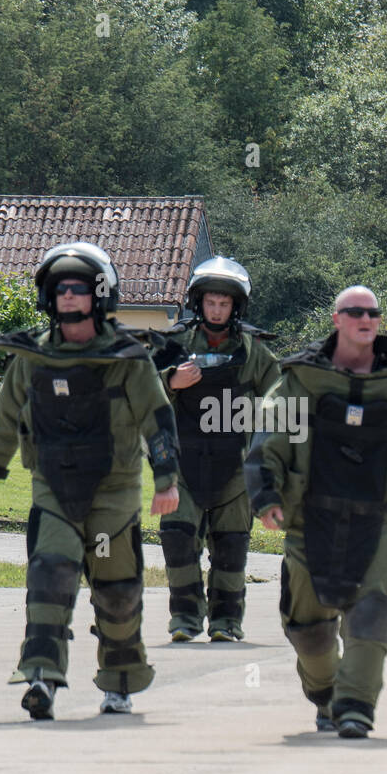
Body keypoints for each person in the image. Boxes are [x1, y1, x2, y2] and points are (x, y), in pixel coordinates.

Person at [0, 242, 181, 720]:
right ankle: (41, 674)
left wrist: (167, 480)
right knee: (50, 573)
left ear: (99, 295)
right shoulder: (32, 357)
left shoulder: (128, 357)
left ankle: (119, 682)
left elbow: (157, 420)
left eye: (78, 288)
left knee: (117, 591)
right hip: (53, 492)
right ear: (48, 295)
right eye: (60, 288)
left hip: (114, 494)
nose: (68, 295)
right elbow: (3, 417)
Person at [244, 285, 387, 738]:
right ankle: (326, 693)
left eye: (372, 312)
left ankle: (356, 706)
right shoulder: (299, 382)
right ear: (337, 319)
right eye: (355, 312)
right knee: (309, 630)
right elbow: (266, 444)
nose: (365, 319)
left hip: (379, 521)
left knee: (372, 612)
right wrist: (266, 498)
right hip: (309, 520)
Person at [151, 256, 279, 643]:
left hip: (234, 470)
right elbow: (139, 394)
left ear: (236, 306)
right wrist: (171, 381)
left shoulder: (254, 351)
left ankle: (226, 622)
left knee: (231, 549)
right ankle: (185, 619)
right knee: (177, 540)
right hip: (182, 467)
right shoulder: (174, 345)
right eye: (211, 303)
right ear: (198, 302)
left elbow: (280, 397)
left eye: (224, 303)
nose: (217, 310)